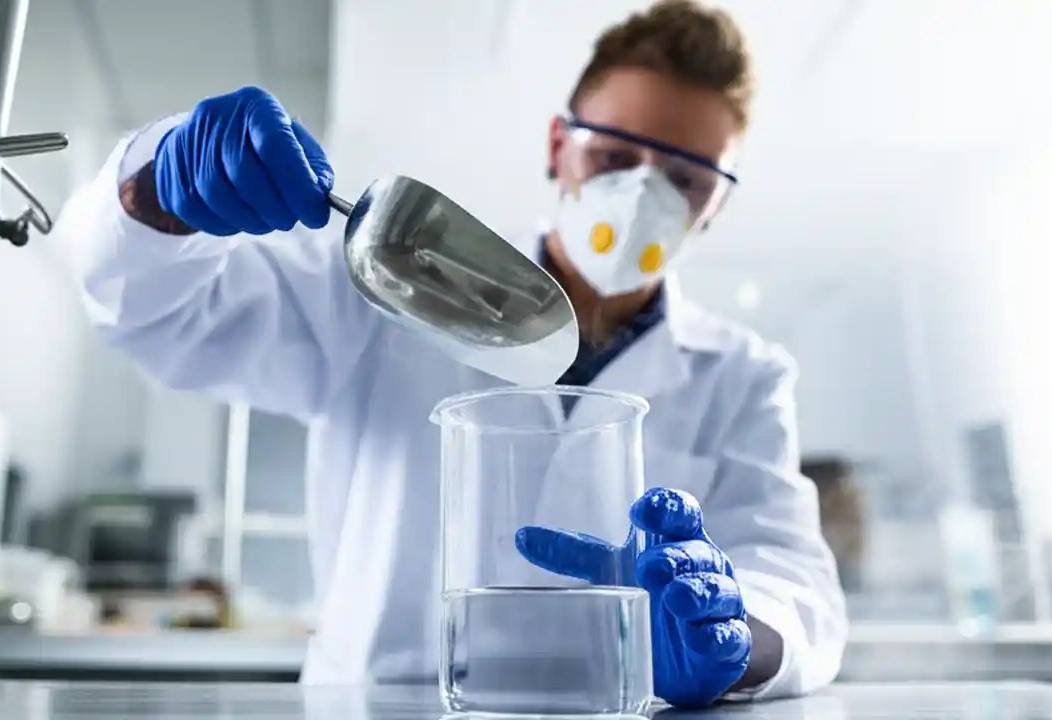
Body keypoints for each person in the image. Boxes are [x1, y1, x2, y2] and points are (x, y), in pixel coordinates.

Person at [58, 0, 846, 707]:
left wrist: (736, 638)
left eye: (685, 180)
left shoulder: (743, 375)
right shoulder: (385, 282)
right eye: (615, 159)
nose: (645, 198)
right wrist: (154, 189)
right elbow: (159, 318)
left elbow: (797, 585)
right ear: (558, 147)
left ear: (718, 205)